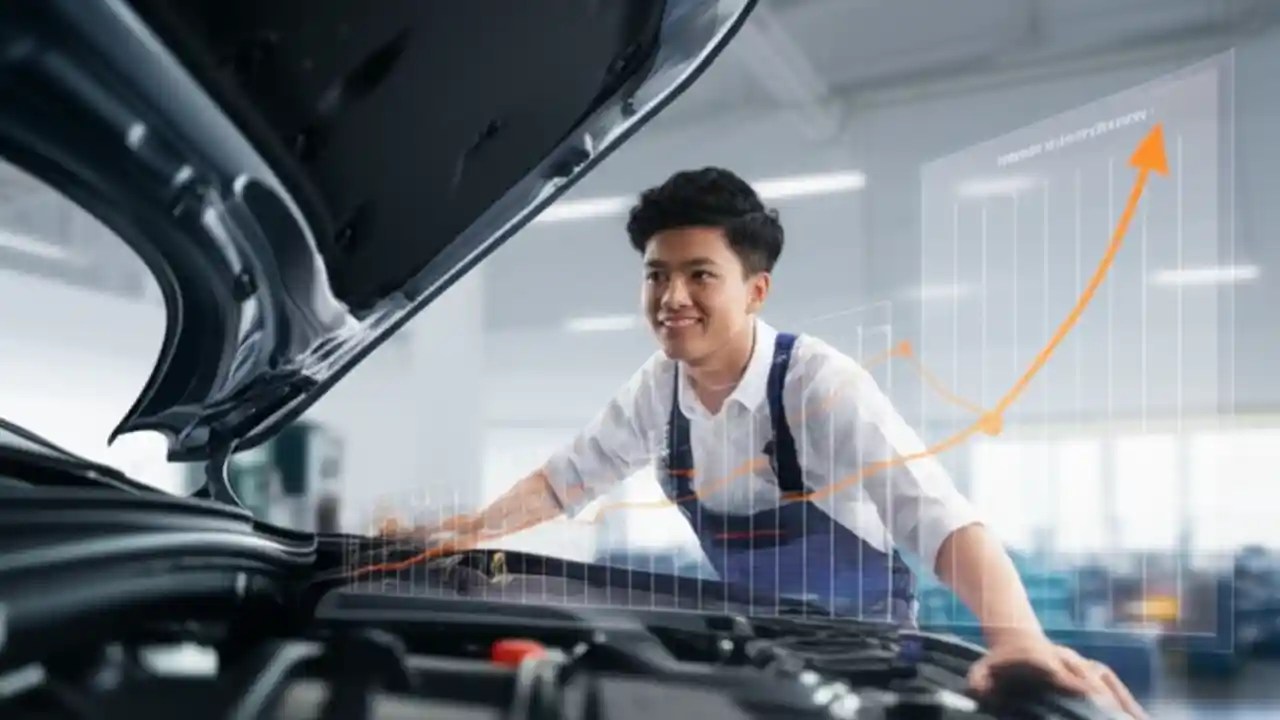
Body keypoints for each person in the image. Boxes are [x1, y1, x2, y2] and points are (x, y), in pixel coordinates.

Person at [406, 167, 1145, 718]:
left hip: (870, 667)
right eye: (656, 275)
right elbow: (563, 480)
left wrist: (1017, 639)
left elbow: (941, 520)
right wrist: (467, 533)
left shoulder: (820, 385)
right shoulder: (654, 389)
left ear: (755, 290)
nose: (672, 299)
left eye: (700, 275)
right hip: (752, 654)